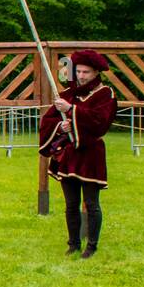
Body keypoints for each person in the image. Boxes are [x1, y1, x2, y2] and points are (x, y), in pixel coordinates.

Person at [38, 49, 117, 258]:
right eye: (79, 71)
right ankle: (73, 244)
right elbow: (47, 121)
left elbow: (99, 122)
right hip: (69, 155)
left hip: (90, 155)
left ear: (96, 72)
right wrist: (60, 127)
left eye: (87, 72)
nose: (81, 76)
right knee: (71, 204)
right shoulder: (67, 95)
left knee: (91, 203)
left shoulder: (105, 94)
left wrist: (72, 110)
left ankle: (91, 246)